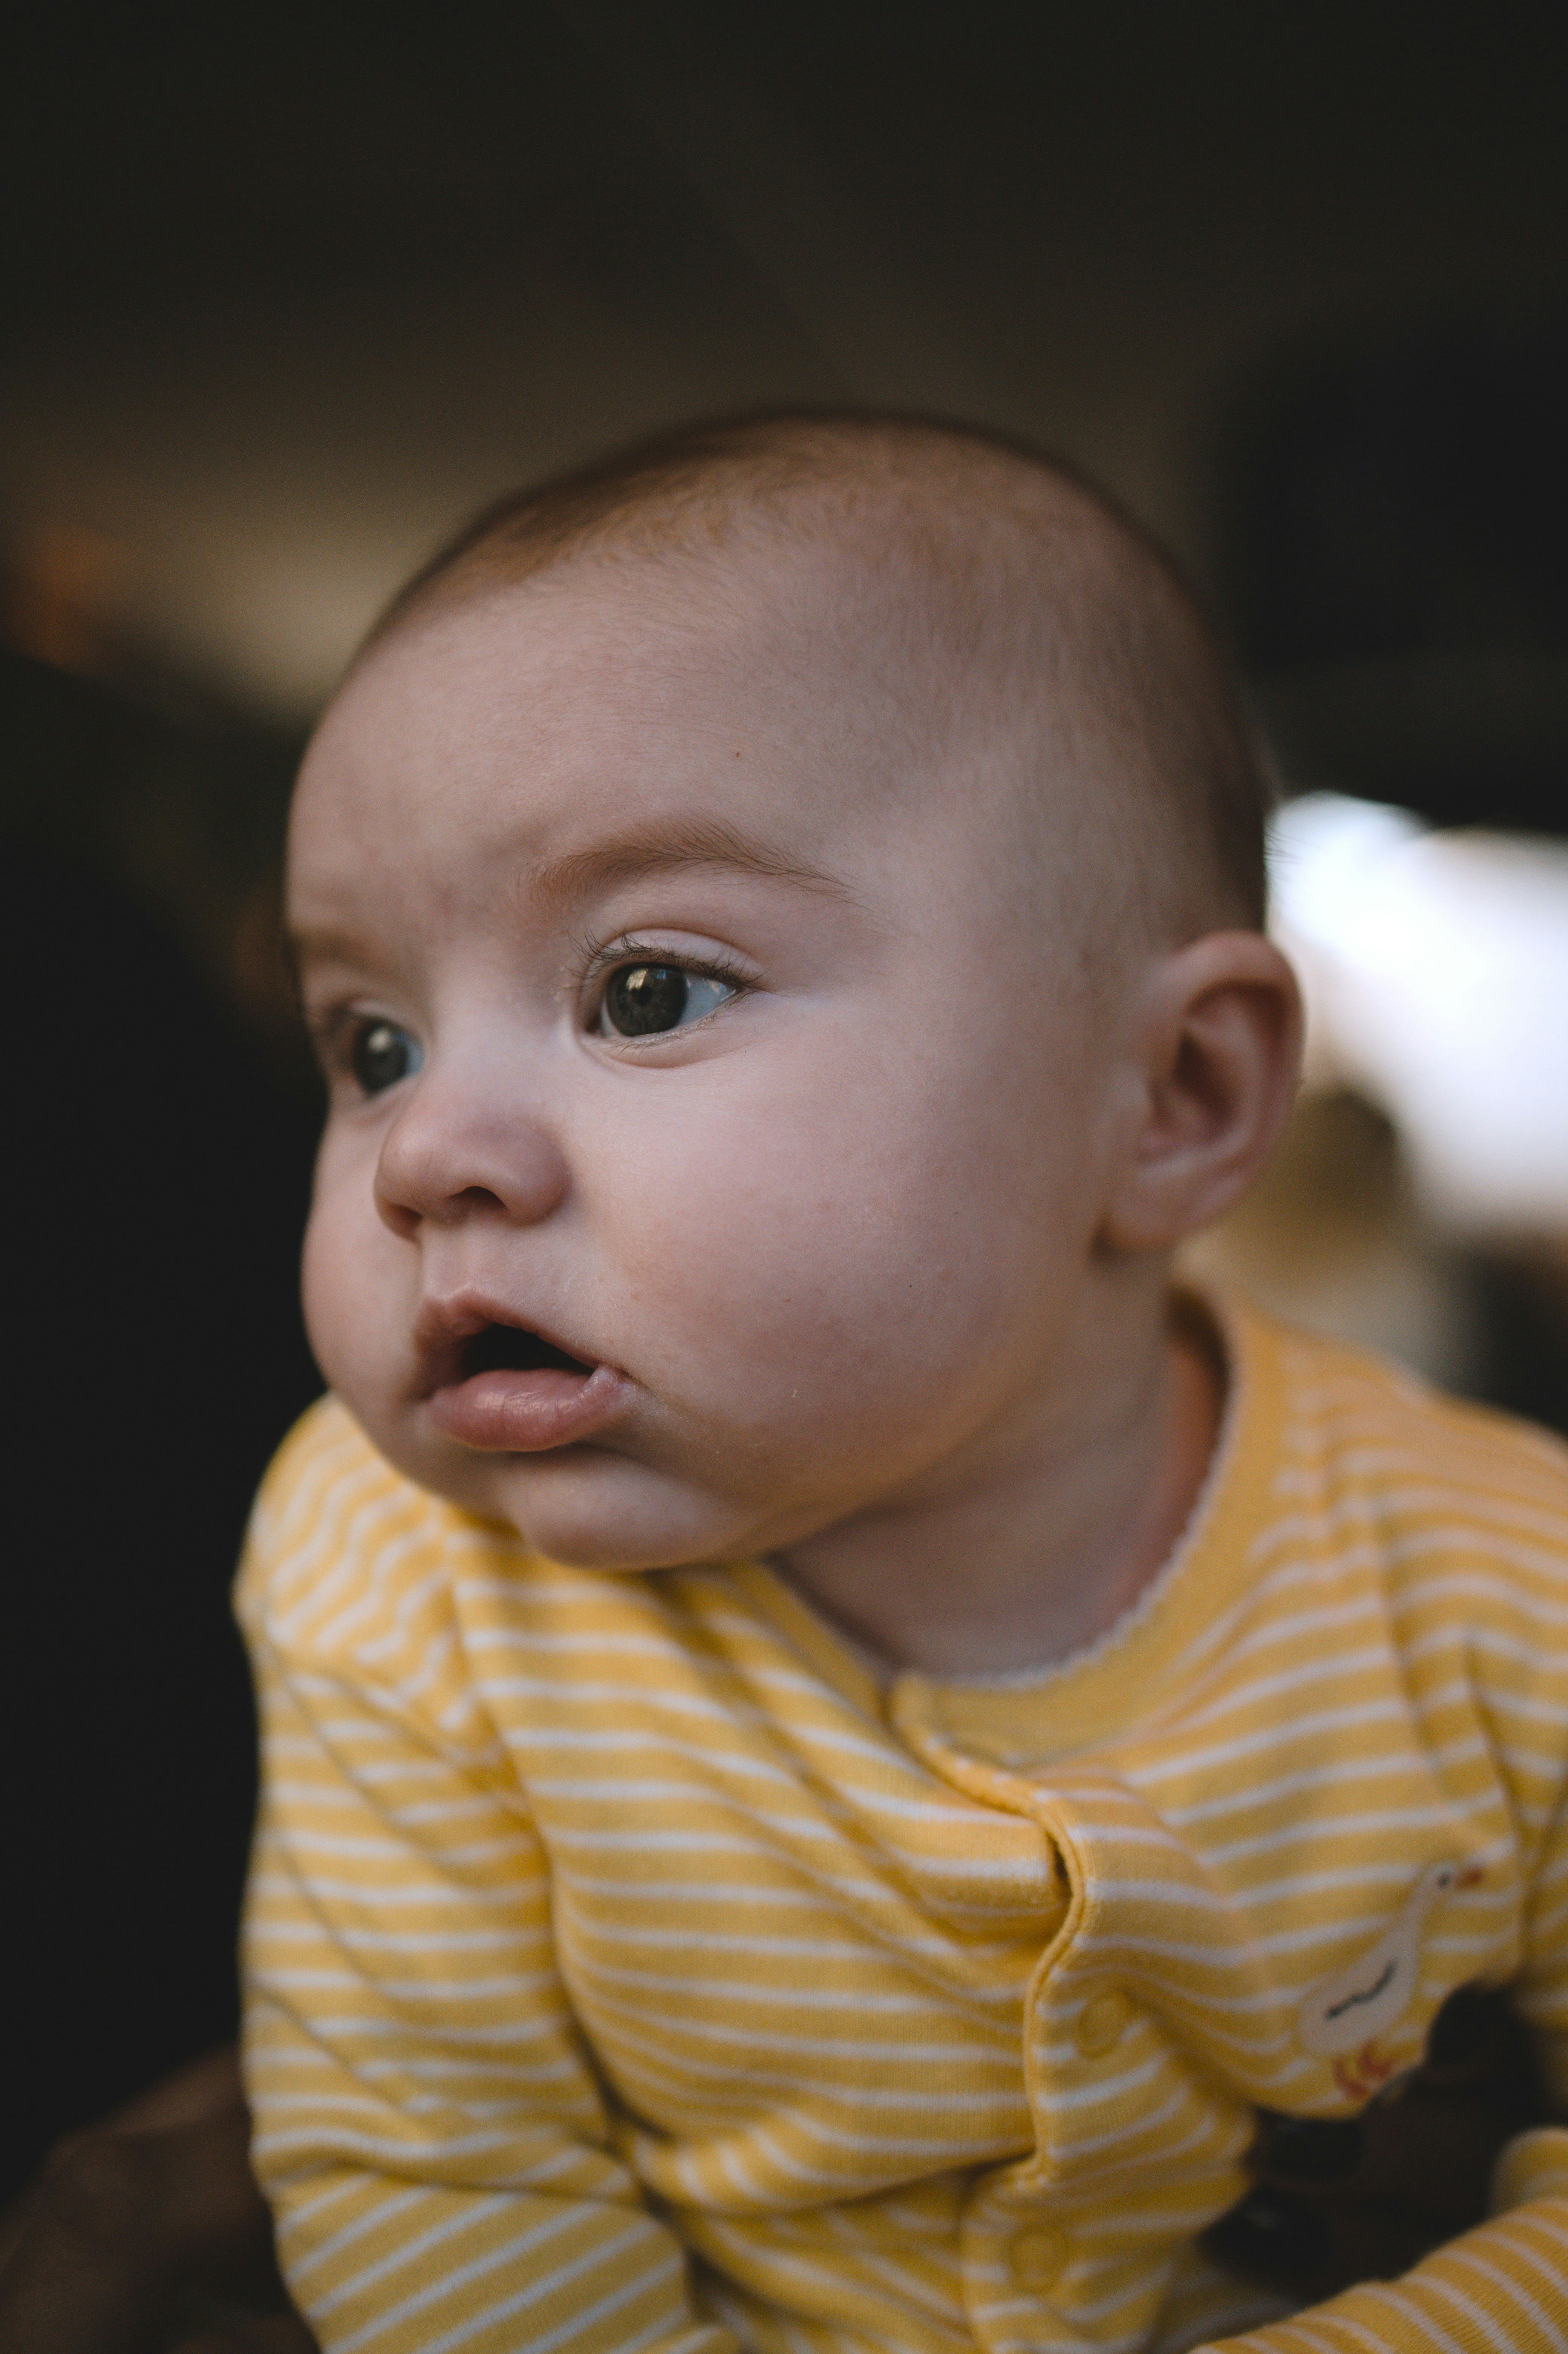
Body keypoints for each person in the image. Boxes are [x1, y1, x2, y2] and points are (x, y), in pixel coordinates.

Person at [231, 414, 1568, 2354]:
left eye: (645, 989)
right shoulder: (397, 1575)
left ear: (1170, 1098)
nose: (427, 1152)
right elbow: (441, 2171)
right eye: (371, 1039)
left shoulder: (1498, 1577)